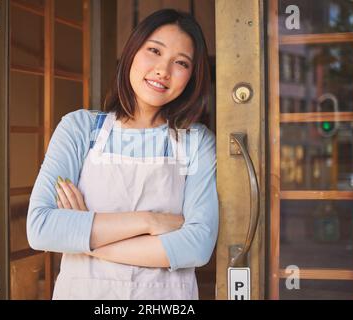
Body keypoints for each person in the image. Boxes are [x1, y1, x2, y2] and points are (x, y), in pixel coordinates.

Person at [27, 8, 218, 300]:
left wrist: (85, 237)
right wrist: (150, 222)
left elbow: (196, 246)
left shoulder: (197, 142)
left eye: (181, 63)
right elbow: (42, 228)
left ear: (192, 76)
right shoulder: (80, 128)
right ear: (131, 52)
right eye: (154, 50)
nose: (162, 70)